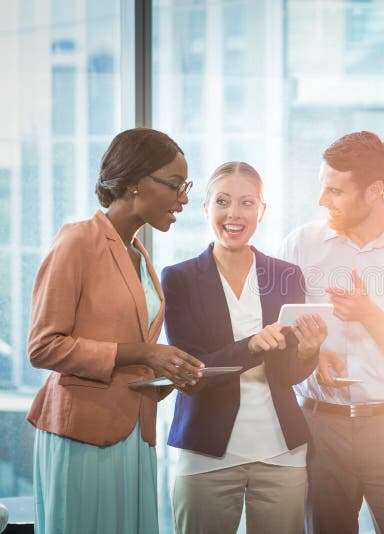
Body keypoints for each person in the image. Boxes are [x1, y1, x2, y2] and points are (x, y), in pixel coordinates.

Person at [26, 128, 206, 533]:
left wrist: (168, 375)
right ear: (135, 182)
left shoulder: (138, 253)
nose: (183, 199)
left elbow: (130, 352)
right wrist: (145, 354)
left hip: (134, 434)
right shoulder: (78, 241)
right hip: (84, 435)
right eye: (175, 185)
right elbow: (43, 346)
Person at [279, 131, 384, 534]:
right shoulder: (300, 245)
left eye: (335, 191)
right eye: (323, 187)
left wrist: (369, 314)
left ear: (375, 191)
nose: (322, 200)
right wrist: (311, 355)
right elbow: (276, 334)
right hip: (319, 429)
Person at [162, 162, 326, 534]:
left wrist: (307, 352)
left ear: (262, 211)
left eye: (247, 203)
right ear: (206, 208)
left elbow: (289, 374)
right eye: (222, 201)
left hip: (281, 450)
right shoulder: (179, 278)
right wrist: (251, 346)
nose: (234, 213)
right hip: (206, 451)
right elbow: (190, 373)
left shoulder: (286, 275)